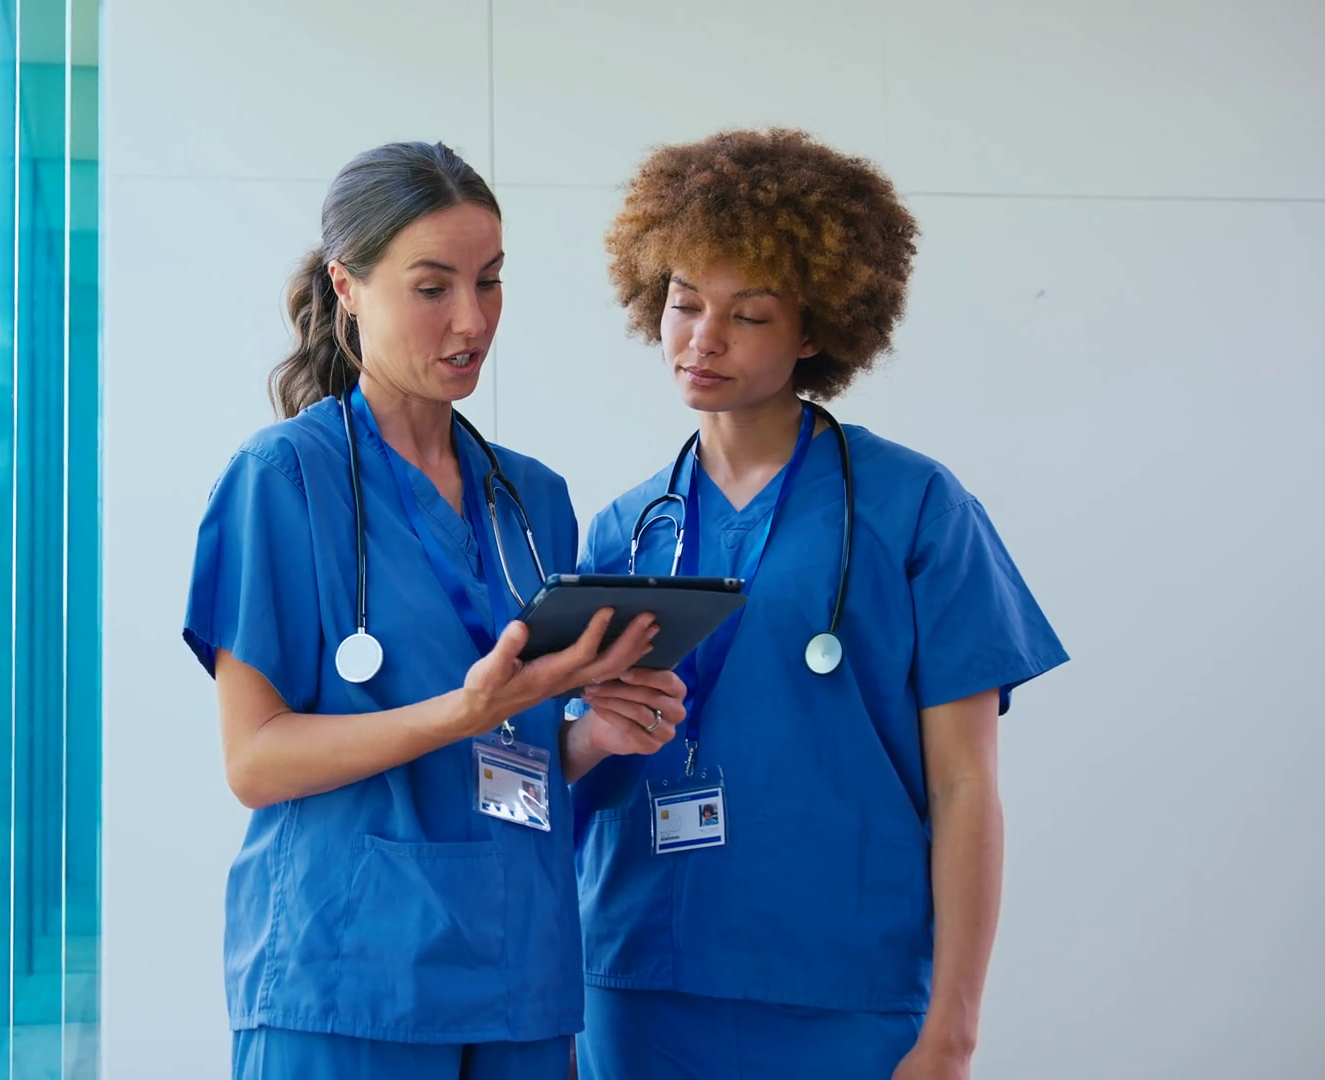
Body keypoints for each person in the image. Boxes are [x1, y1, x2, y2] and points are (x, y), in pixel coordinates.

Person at [566, 129, 1070, 1080]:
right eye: (684, 302)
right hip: (637, 988)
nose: (703, 338)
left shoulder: (914, 509)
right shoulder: (624, 532)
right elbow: (568, 776)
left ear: (814, 331)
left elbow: (966, 786)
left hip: (844, 992)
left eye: (749, 314)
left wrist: (953, 1032)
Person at [181, 141, 689, 1080]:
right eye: (432, 288)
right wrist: (465, 710)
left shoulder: (532, 501)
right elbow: (255, 762)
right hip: (349, 977)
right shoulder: (284, 479)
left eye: (490, 281)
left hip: (519, 975)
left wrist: (594, 736)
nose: (472, 319)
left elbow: (514, 757)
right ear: (347, 286)